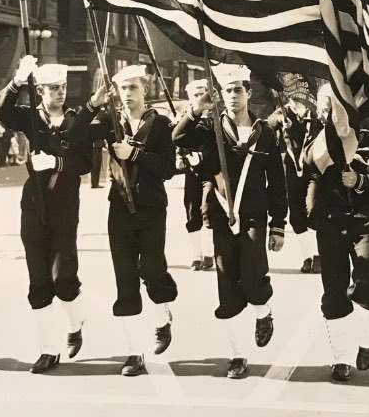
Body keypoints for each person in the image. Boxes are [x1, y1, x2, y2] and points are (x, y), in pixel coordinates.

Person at [172, 63, 287, 380]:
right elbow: (178, 136)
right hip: (222, 215)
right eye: (227, 91)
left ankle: (263, 313)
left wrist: (279, 224)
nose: (233, 95)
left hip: (253, 214)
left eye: (238, 89)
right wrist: (196, 110)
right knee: (227, 287)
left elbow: (278, 181)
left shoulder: (265, 133)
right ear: (220, 96)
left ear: (248, 93)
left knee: (252, 276)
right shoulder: (210, 129)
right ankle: (237, 356)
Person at [0, 57, 94, 374]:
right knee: (38, 283)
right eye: (53, 87)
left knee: (64, 280)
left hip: (65, 207)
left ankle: (76, 319)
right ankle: (48, 350)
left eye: (63, 87)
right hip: (34, 207)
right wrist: (16, 81)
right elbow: (2, 112)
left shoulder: (77, 121)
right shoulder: (31, 119)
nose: (60, 92)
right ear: (40, 91)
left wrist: (56, 165)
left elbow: (86, 164)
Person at [86, 65, 178, 377]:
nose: (128, 94)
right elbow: (78, 136)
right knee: (125, 280)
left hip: (152, 208)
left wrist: (134, 154)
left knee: (151, 270)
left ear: (145, 90)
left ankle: (162, 315)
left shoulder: (161, 124)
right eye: (123, 89)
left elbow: (168, 168)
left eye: (133, 88)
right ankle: (133, 352)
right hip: (121, 208)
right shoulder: (110, 122)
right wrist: (94, 104)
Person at [303, 85, 369, 382]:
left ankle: (367, 340)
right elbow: (303, 174)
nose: (330, 112)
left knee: (366, 279)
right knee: (334, 290)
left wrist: (360, 180)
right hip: (329, 221)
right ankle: (339, 358)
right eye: (325, 107)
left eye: (337, 106)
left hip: (362, 219)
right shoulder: (313, 140)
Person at [268, 80, 320, 274]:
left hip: (315, 169)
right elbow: (266, 126)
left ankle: (317, 255)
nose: (297, 99)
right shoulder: (283, 112)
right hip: (291, 169)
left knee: (313, 209)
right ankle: (307, 256)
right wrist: (279, 121)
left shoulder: (317, 113)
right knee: (297, 215)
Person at [177, 78, 213, 271]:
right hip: (192, 173)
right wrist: (182, 157)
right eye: (195, 95)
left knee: (208, 210)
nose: (200, 98)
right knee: (192, 214)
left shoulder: (215, 116)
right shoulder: (185, 119)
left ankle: (209, 253)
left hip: (211, 173)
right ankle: (196, 255)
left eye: (202, 94)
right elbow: (176, 142)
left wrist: (202, 155)